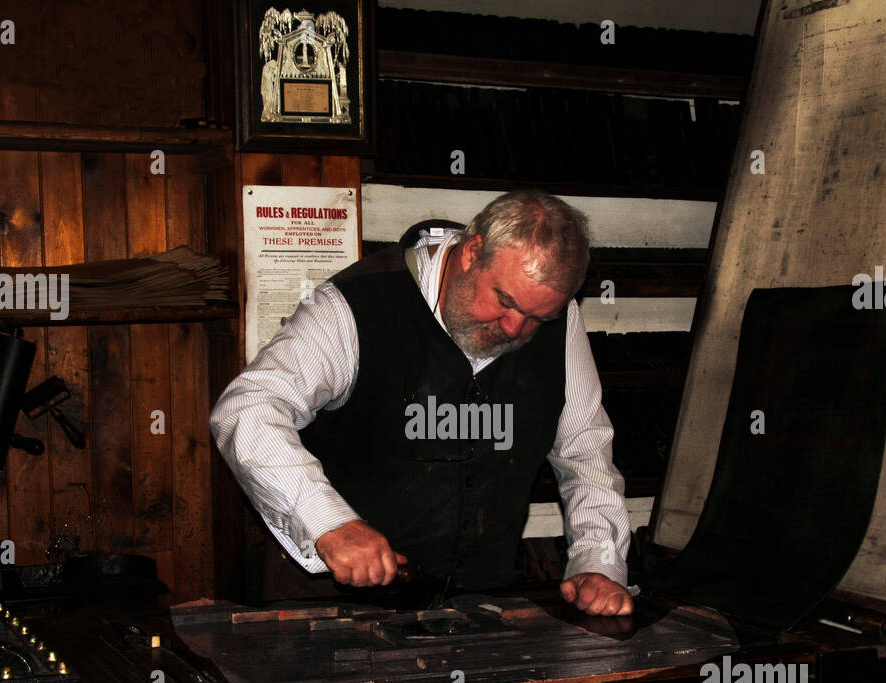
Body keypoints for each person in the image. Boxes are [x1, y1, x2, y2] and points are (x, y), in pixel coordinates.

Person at [210, 190, 633, 617]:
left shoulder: (557, 321)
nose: (515, 328)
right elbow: (248, 409)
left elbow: (584, 447)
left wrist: (599, 561)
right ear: (471, 253)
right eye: (504, 301)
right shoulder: (353, 306)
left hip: (475, 610)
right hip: (331, 608)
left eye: (538, 318)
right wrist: (329, 522)